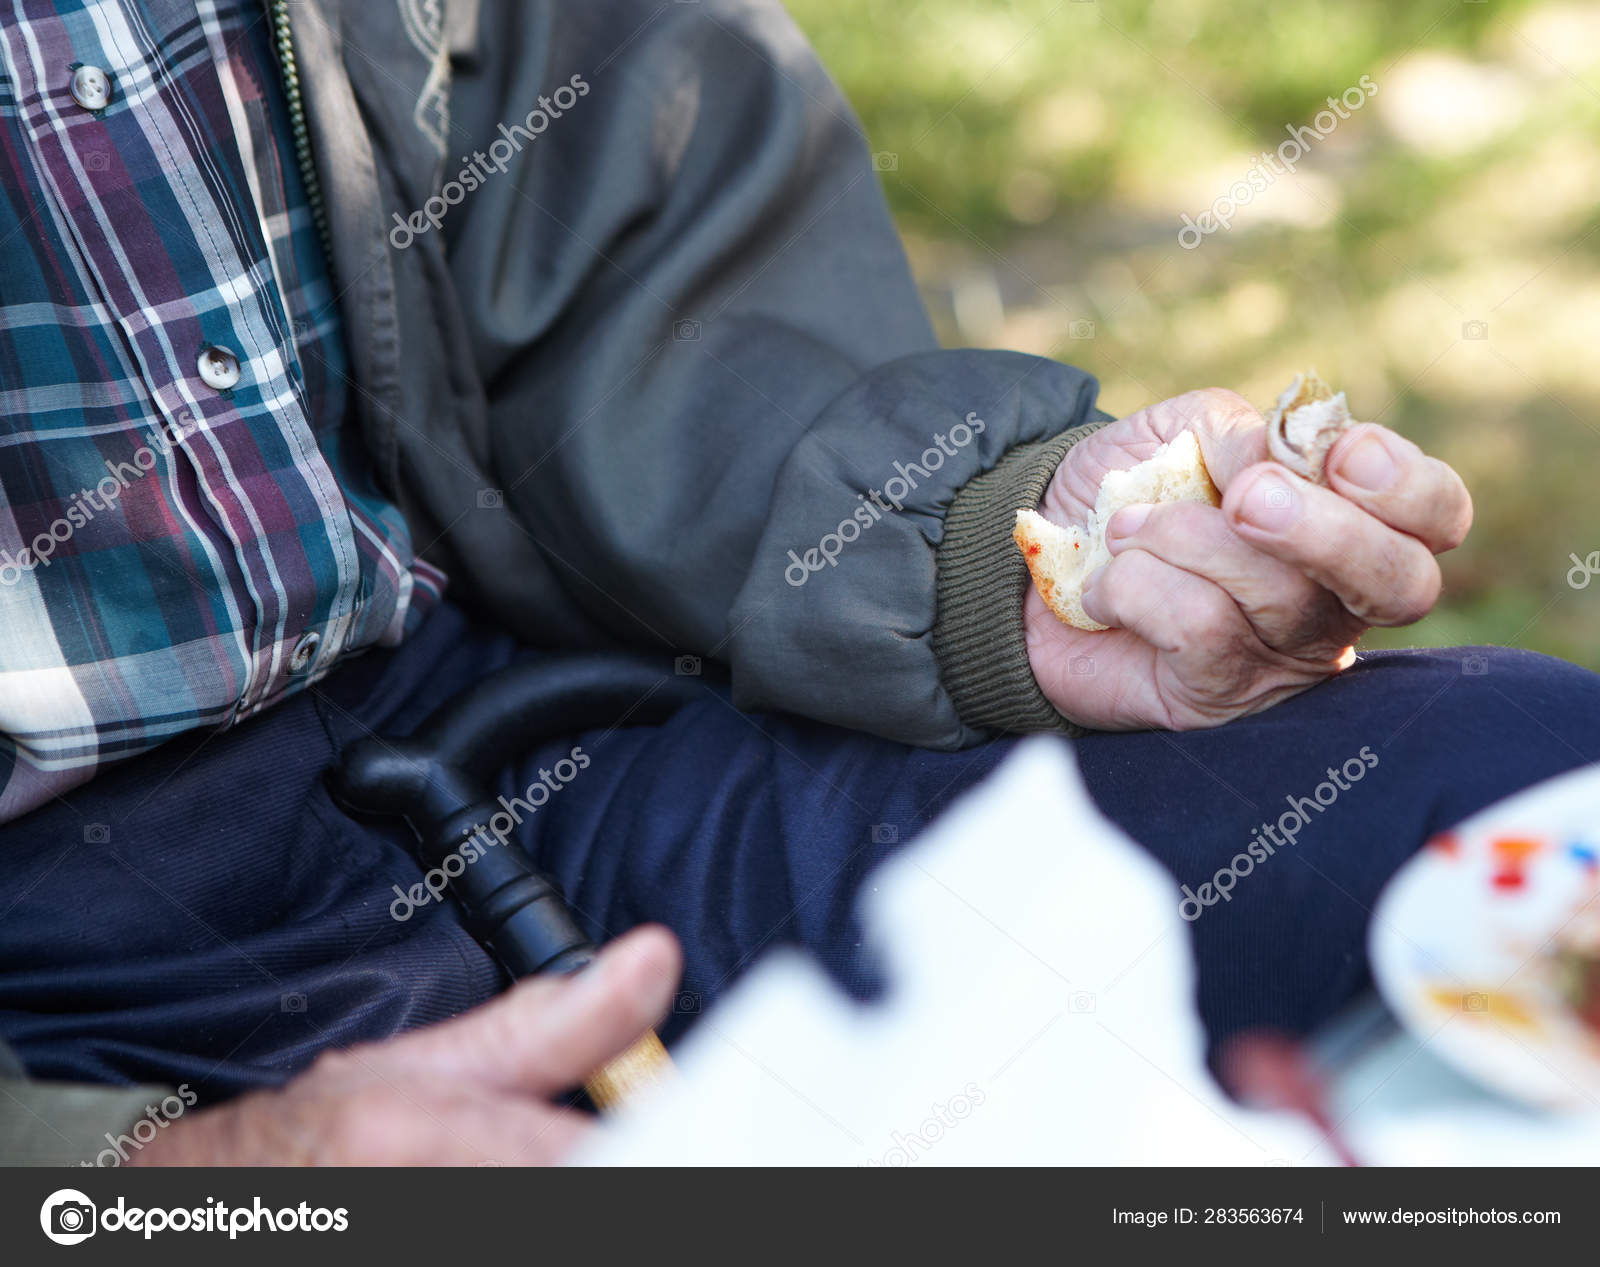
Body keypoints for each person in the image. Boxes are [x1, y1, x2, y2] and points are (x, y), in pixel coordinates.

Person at [2, 0, 1596, 1166]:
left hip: (497, 728)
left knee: (1507, 785)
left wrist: (985, 555)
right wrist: (145, 1177)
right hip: (62, 1017)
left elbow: (599, 262)